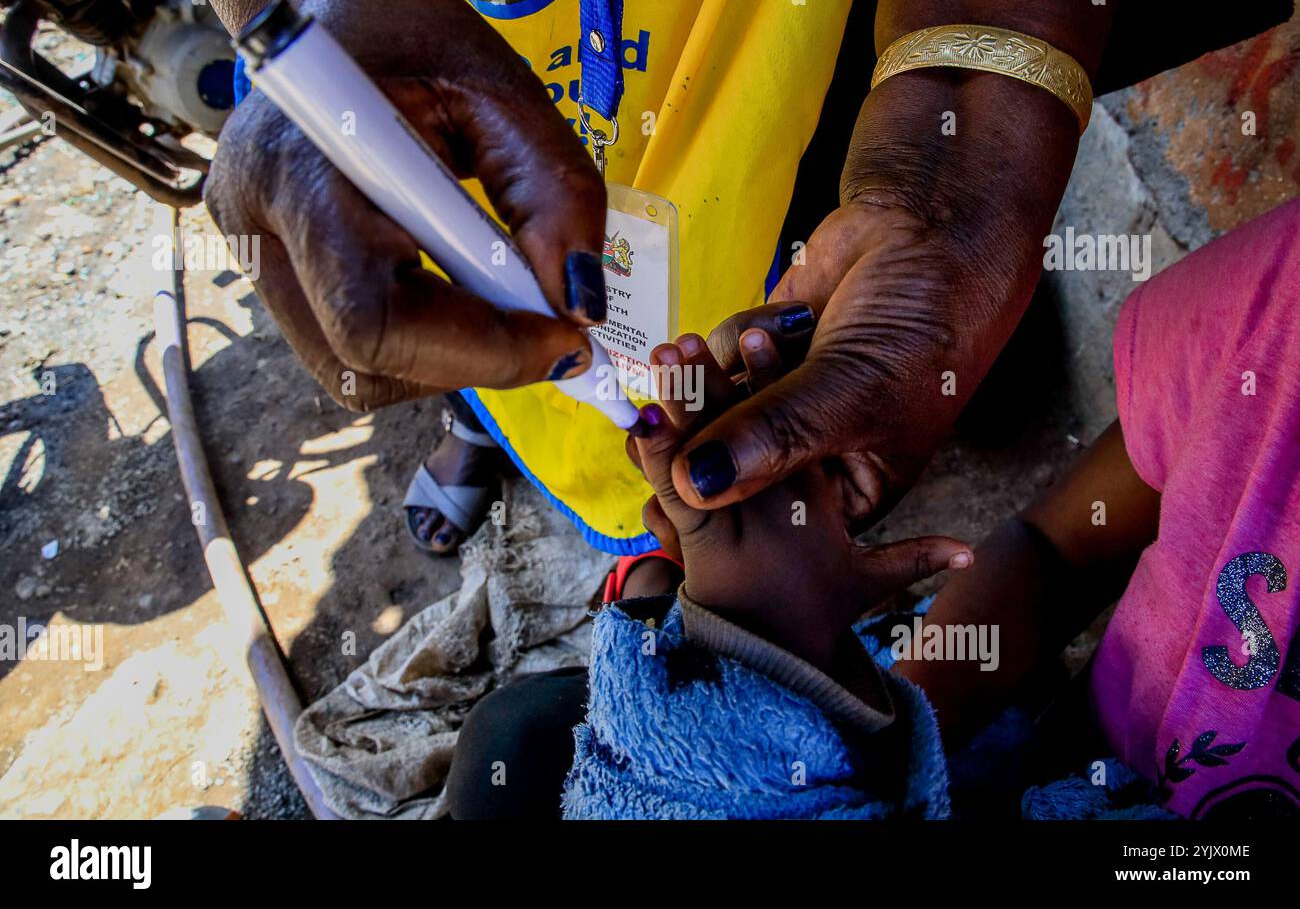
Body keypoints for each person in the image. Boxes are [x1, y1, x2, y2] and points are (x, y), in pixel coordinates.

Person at [182, 0, 1300, 557]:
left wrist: (959, 182)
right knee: (472, 307)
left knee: (827, 276)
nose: (703, 511)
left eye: (671, 630)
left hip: (809, 38)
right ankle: (483, 413)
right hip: (442, 82)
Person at [448, 197, 1300, 819]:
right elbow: (1055, 551)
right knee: (516, 750)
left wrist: (778, 709)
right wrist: (850, 708)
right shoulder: (1275, 330)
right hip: (1072, 752)